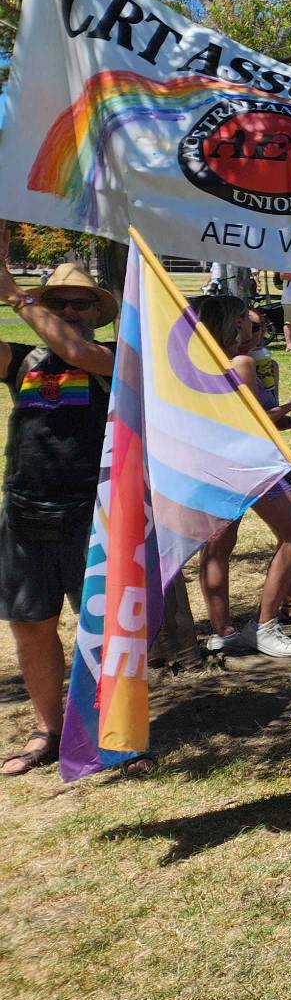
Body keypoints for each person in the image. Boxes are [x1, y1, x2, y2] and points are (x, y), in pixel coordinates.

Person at [0, 255, 117, 776]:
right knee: (30, 625)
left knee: (104, 629)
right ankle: (48, 728)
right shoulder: (23, 361)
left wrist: (16, 295)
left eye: (80, 302)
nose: (70, 310)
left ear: (96, 310)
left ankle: (113, 732)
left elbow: (78, 352)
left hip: (91, 513)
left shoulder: (111, 357)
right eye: (58, 302)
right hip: (24, 513)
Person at [189, 294, 291, 658]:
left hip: (209, 464)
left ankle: (222, 631)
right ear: (232, 323)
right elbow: (251, 420)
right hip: (250, 464)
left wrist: (289, 417)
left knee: (218, 546)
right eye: (246, 321)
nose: (252, 328)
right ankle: (264, 625)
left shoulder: (191, 363)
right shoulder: (241, 362)